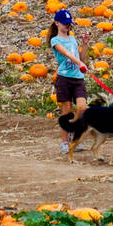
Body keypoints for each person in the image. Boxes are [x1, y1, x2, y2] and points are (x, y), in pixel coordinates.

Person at [47, 9, 88, 155]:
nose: (67, 26)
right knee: (67, 112)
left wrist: (85, 45)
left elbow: (81, 58)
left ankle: (74, 135)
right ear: (57, 23)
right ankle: (65, 142)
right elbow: (67, 54)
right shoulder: (55, 40)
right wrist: (79, 63)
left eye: (69, 23)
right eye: (64, 23)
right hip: (64, 79)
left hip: (78, 78)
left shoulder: (72, 39)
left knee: (82, 108)